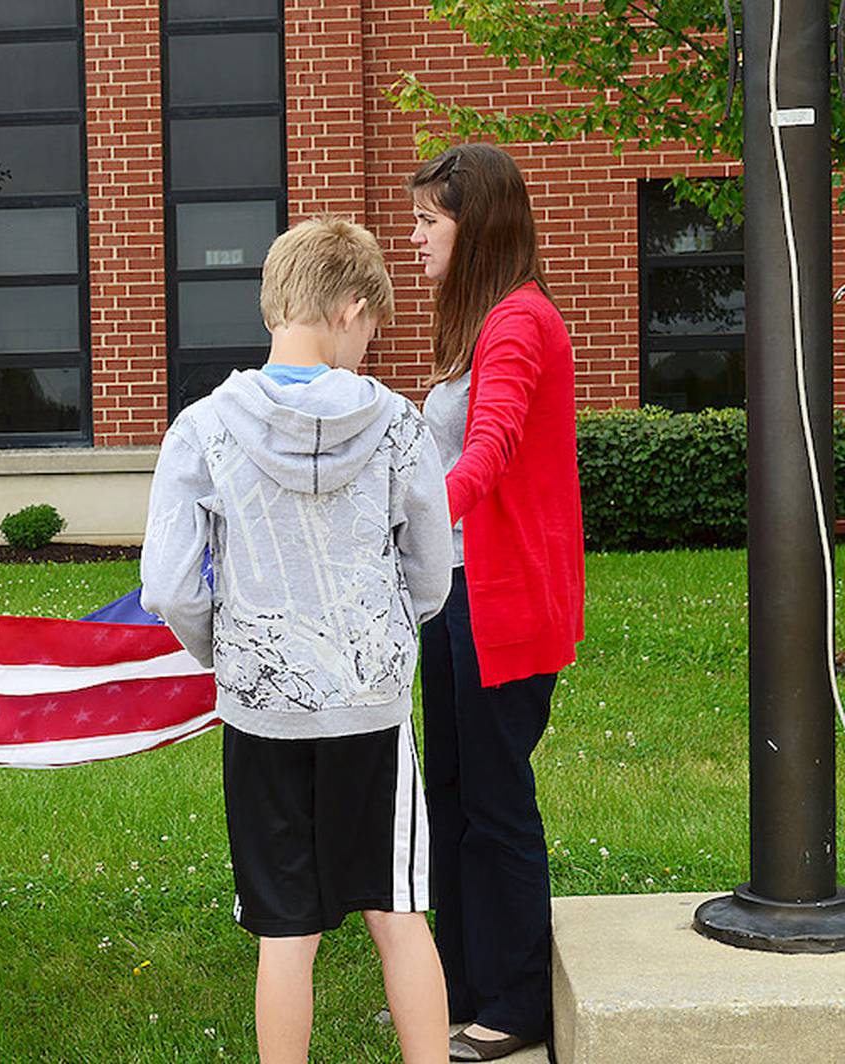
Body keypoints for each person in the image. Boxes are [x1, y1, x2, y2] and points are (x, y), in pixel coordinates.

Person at [141, 217, 453, 1064]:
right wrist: (387, 637)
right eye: (372, 331)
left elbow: (169, 583)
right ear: (352, 307)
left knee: (286, 930)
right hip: (370, 711)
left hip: (263, 711)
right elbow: (432, 570)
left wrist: (230, 650)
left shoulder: (202, 429)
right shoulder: (399, 425)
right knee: (399, 914)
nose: (368, 350)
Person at [407, 144, 585, 1062]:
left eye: (429, 220)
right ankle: (467, 984)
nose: (415, 238)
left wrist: (407, 521)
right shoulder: (480, 323)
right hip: (458, 594)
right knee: (454, 795)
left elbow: (490, 449)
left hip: (503, 601)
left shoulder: (519, 323)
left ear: (475, 224)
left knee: (497, 800)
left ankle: (518, 1002)